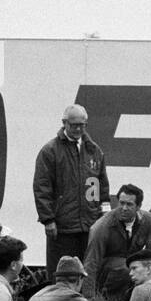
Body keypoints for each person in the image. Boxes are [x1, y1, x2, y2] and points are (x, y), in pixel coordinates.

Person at [33, 104, 110, 267]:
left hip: (90, 225)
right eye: (73, 125)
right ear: (64, 123)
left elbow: (101, 186)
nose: (77, 129)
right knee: (61, 272)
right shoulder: (50, 151)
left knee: (88, 271)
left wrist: (103, 216)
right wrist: (48, 220)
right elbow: (42, 188)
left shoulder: (94, 151)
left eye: (81, 125)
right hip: (62, 227)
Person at [82, 183, 151, 301]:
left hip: (132, 264)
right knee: (127, 268)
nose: (124, 208)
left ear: (138, 206)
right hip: (107, 272)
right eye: (121, 203)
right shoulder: (102, 227)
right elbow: (91, 262)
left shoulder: (149, 221)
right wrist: (88, 300)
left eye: (129, 204)